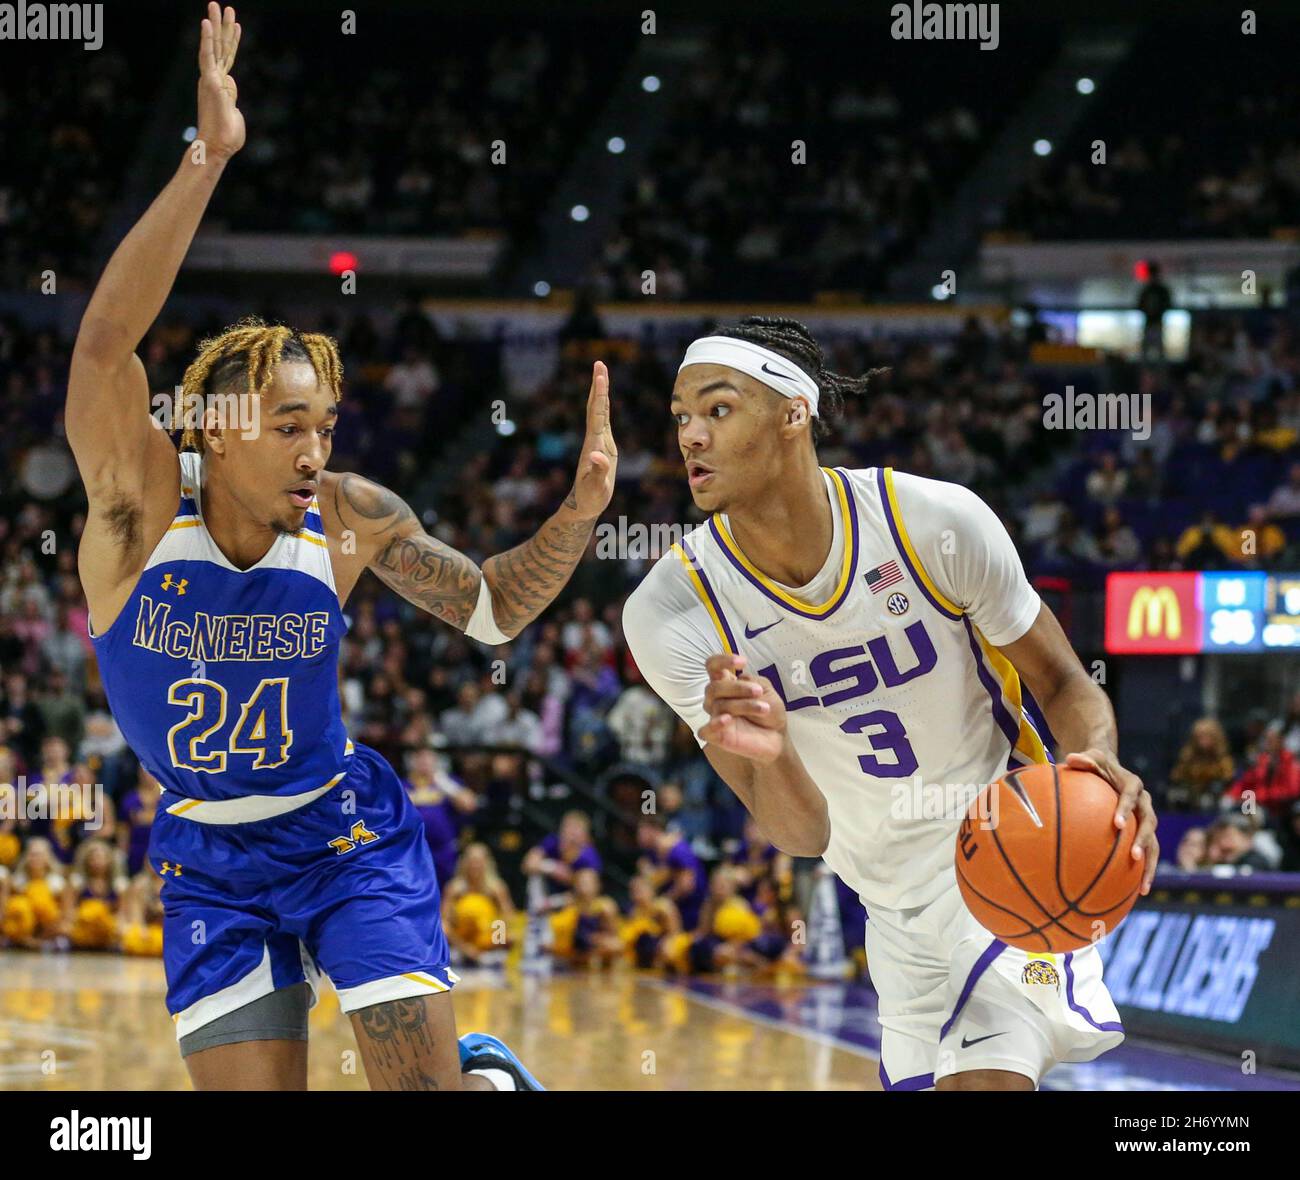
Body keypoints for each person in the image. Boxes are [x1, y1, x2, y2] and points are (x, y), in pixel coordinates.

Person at [65, 5, 615, 1092]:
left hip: (344, 838)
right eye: (288, 427)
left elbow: (496, 608)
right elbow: (102, 341)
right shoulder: (134, 512)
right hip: (208, 861)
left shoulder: (349, 516)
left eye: (325, 425)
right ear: (216, 433)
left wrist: (580, 511)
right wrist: (207, 157)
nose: (318, 450)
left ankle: (476, 1077)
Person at [623, 316, 1158, 1091]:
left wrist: (1099, 759)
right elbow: (800, 835)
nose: (690, 438)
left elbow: (1065, 683)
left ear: (793, 414)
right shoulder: (673, 613)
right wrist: (771, 756)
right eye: (680, 417)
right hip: (884, 905)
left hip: (1010, 856)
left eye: (718, 408)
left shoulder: (931, 524)